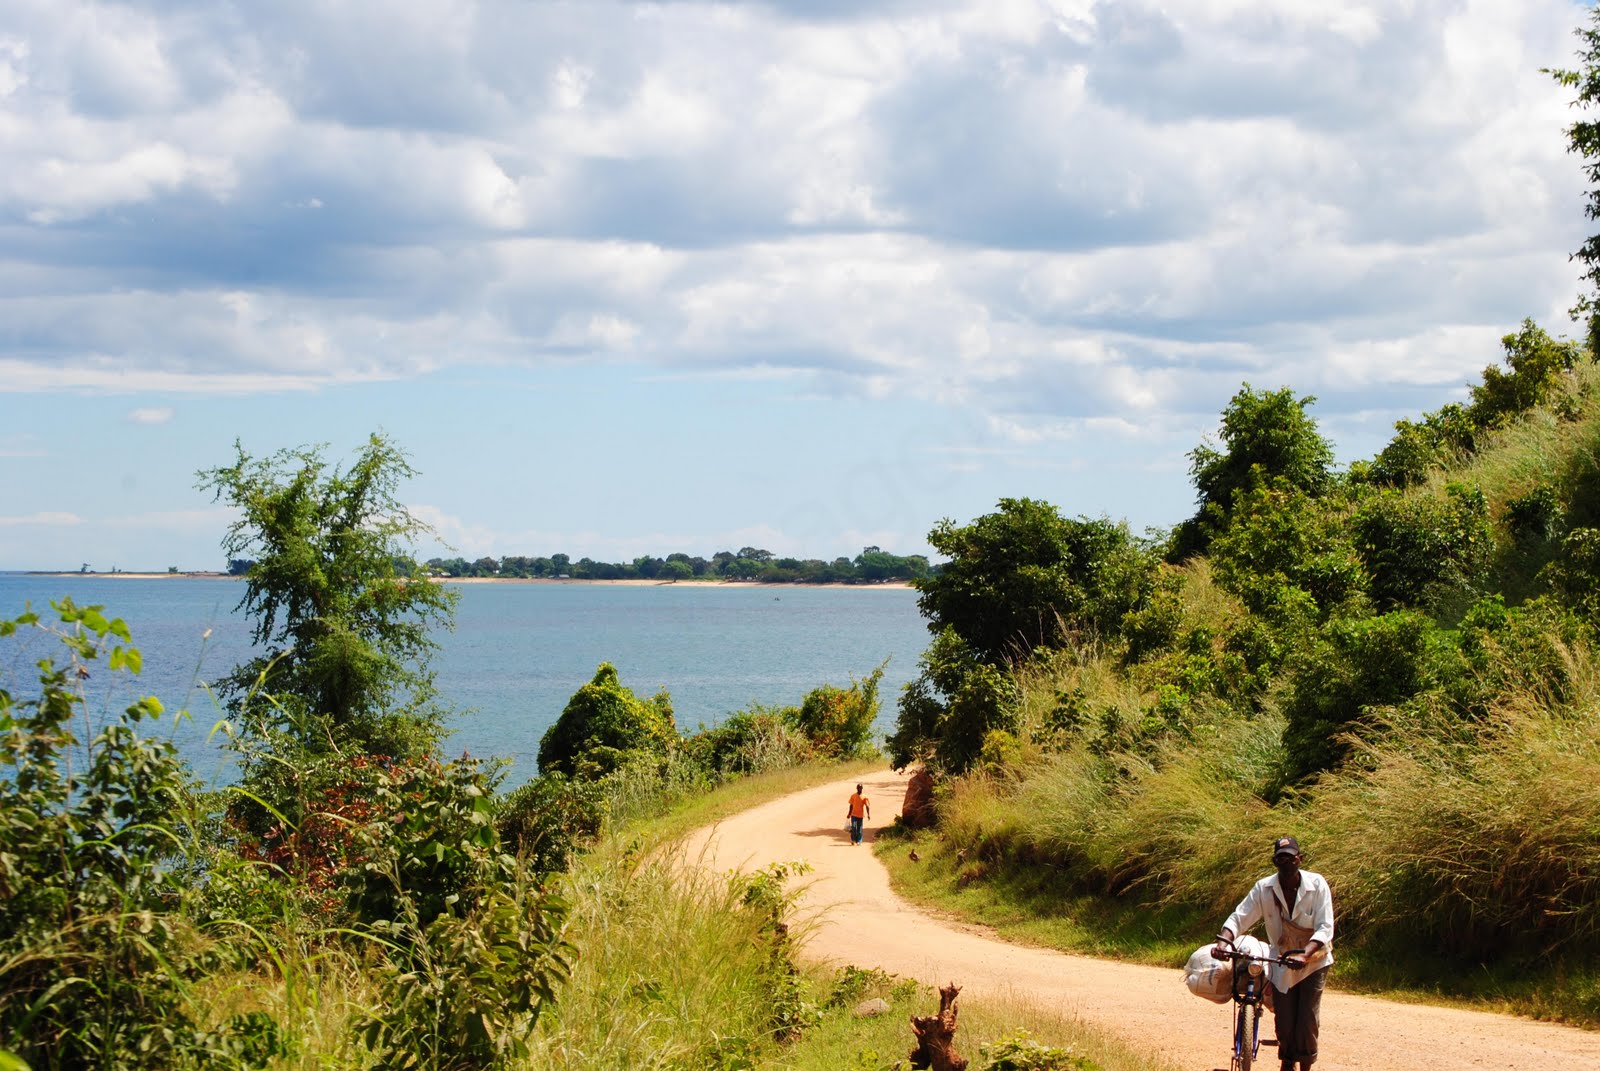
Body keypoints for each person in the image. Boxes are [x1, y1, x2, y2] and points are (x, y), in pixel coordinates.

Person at [1212, 836, 1334, 1071]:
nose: (1286, 864)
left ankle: (1306, 1066)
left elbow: (1325, 927)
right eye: (1281, 859)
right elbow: (1240, 917)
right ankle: (1287, 1062)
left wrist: (1305, 955)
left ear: (1300, 859)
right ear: (1274, 862)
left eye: (1290, 858)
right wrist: (1224, 942)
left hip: (1313, 961)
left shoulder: (1317, 885)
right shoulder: (1264, 888)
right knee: (1285, 1020)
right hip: (1281, 959)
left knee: (1307, 1018)